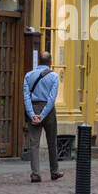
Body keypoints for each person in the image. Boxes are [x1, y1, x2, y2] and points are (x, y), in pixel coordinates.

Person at [23, 51, 63, 184]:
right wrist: (43, 115)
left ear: (38, 61)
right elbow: (52, 99)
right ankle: (54, 172)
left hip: (33, 108)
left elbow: (26, 96)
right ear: (50, 62)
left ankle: (35, 174)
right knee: (52, 142)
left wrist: (32, 114)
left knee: (34, 144)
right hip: (48, 111)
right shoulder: (54, 76)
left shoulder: (28, 75)